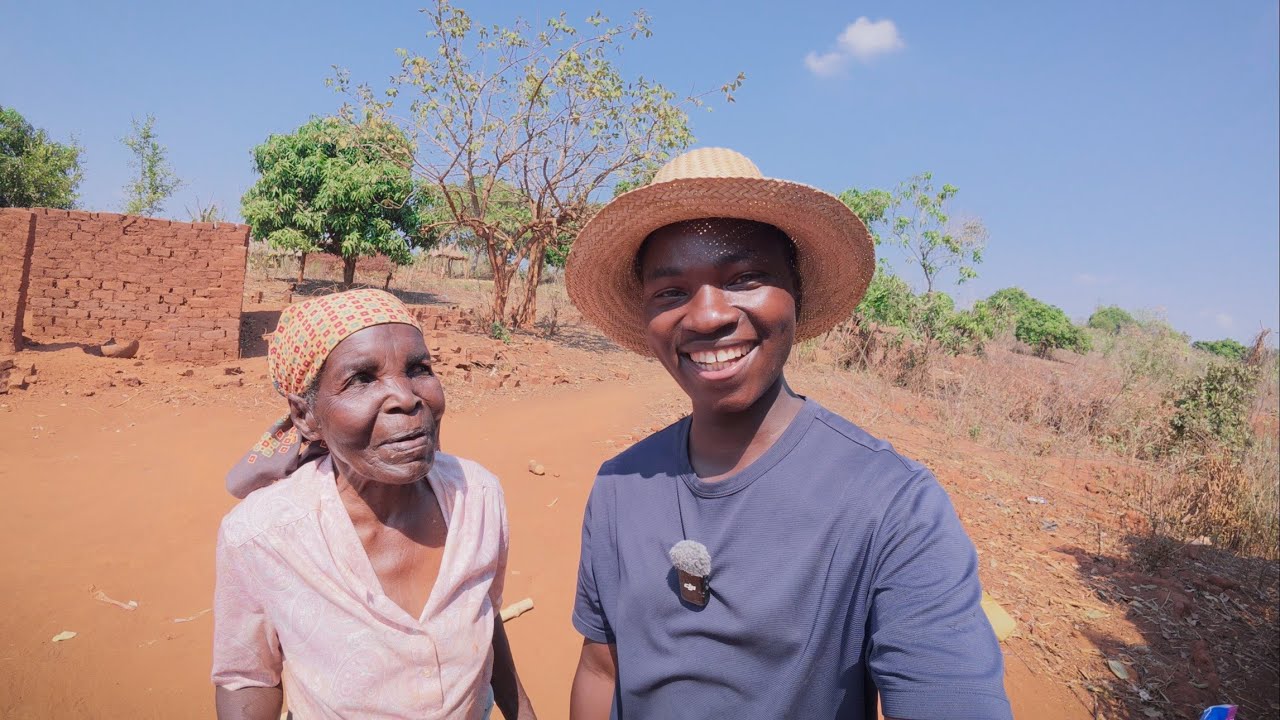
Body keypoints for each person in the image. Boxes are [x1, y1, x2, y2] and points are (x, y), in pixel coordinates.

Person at [564, 148, 1012, 719]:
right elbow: (602, 668)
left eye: (745, 278)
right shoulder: (619, 485)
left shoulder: (893, 506)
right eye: (672, 292)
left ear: (794, 293)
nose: (706, 317)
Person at [212, 289, 536, 720]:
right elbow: (247, 678)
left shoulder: (478, 496)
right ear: (306, 417)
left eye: (419, 369)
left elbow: (483, 613)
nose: (407, 397)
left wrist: (522, 710)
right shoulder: (261, 535)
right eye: (362, 379)